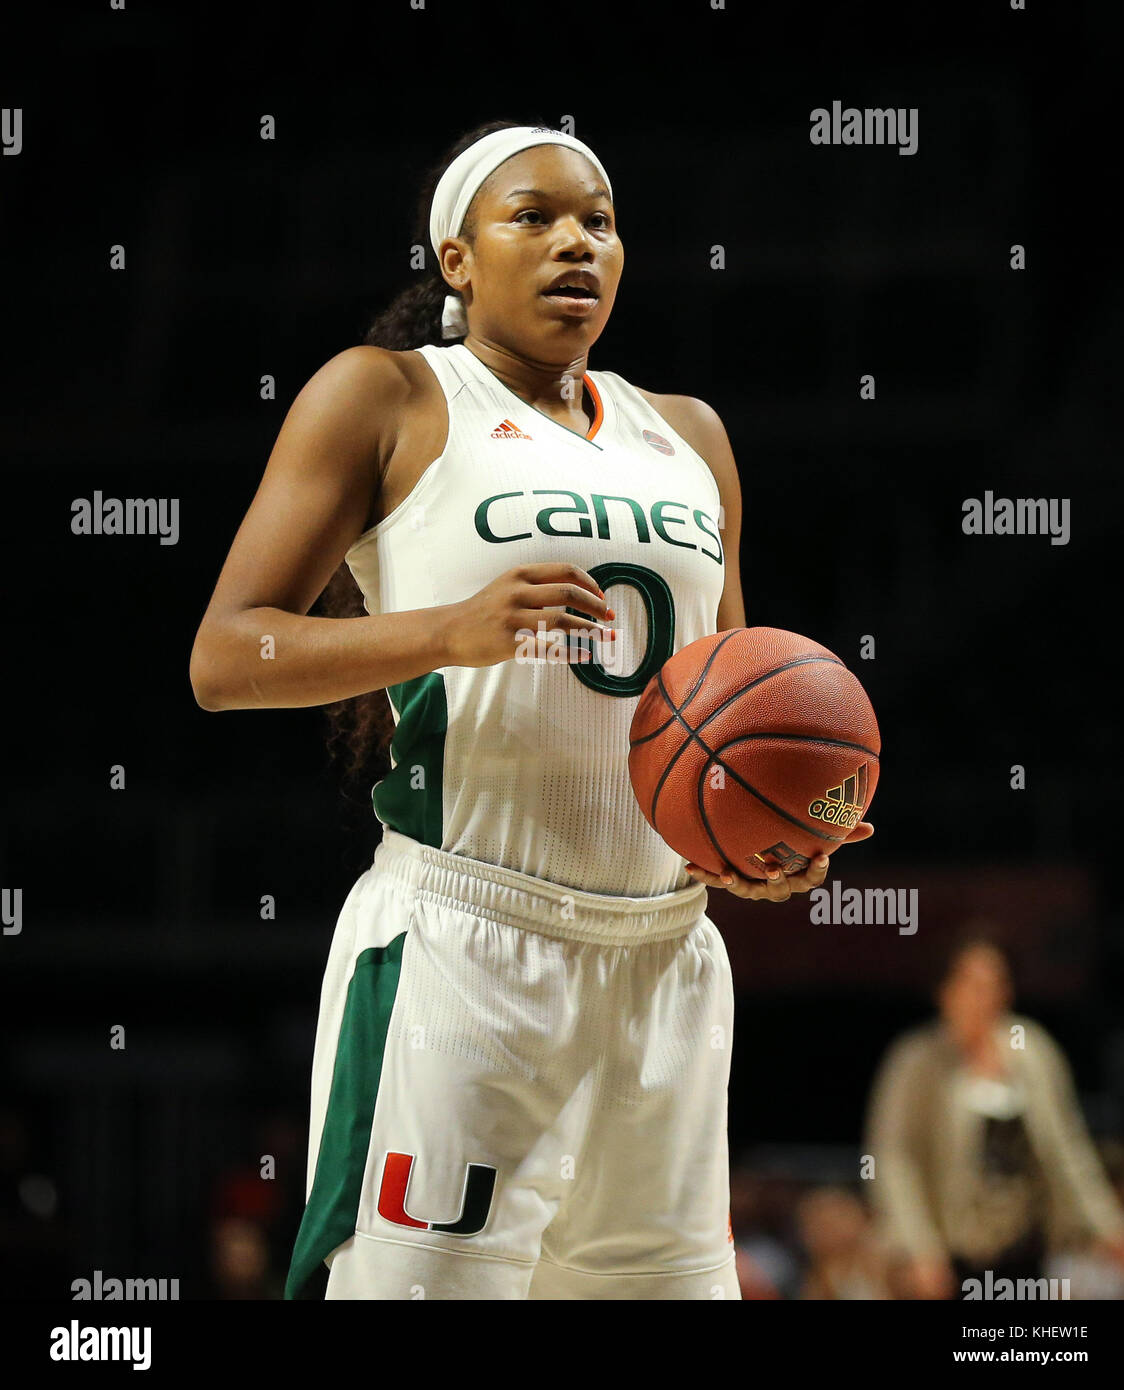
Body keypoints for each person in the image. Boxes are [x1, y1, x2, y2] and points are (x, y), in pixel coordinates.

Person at [189, 118, 871, 1301]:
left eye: (598, 223)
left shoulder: (689, 435)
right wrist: (444, 632)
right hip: (466, 945)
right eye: (534, 218)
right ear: (456, 257)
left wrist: (762, 837)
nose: (575, 244)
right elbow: (223, 654)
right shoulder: (387, 397)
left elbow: (721, 695)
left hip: (664, 958)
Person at [864, 926, 1124, 1299]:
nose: (983, 996)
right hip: (950, 1252)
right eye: (972, 983)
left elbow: (1067, 1149)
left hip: (1026, 1245)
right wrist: (917, 1248)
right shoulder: (917, 1061)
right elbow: (893, 1162)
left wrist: (1108, 1226)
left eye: (993, 984)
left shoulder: (1033, 1051)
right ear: (945, 991)